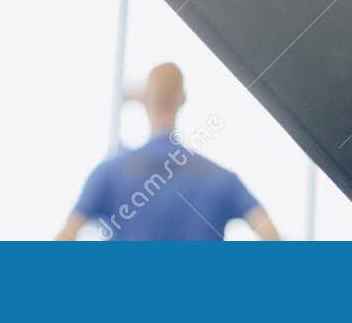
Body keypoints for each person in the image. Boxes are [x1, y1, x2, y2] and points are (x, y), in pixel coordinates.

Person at [56, 63, 280, 241]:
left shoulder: (109, 174)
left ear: (145, 99)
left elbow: (66, 237)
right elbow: (271, 236)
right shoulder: (222, 180)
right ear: (182, 99)